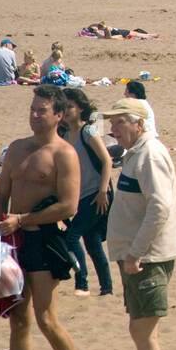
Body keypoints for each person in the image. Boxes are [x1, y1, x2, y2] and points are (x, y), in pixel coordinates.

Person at [0, 85, 90, 350]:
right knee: (17, 318)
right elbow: (1, 192)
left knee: (46, 318)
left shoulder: (64, 154)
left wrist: (23, 219)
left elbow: (68, 206)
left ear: (58, 115)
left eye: (41, 110)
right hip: (12, 241)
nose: (34, 115)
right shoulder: (16, 149)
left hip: (43, 240)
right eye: (32, 109)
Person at [101, 97, 176, 350]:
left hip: (148, 258)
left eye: (119, 122)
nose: (112, 128)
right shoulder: (136, 154)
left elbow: (160, 208)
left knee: (143, 329)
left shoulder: (150, 154)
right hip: (136, 256)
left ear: (138, 123)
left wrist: (136, 252)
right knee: (140, 328)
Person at [60, 90, 113, 298]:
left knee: (73, 238)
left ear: (80, 108)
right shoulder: (64, 135)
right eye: (63, 107)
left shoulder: (88, 131)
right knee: (92, 241)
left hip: (97, 194)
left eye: (70, 106)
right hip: (81, 196)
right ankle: (107, 288)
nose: (66, 111)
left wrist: (102, 191)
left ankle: (82, 283)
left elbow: (107, 160)